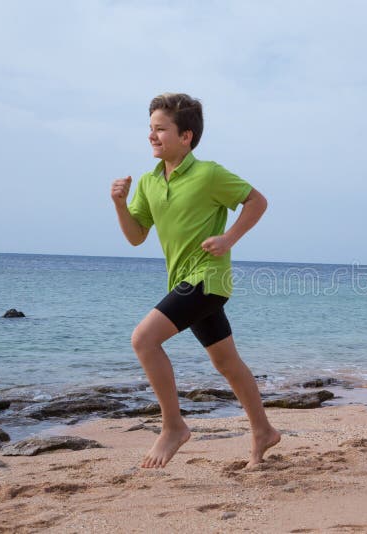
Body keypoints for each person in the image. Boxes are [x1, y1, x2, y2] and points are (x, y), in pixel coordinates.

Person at [110, 93, 280, 468]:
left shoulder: (209, 174)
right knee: (226, 361)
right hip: (182, 280)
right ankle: (263, 431)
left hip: (208, 277)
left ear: (185, 136)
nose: (152, 136)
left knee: (144, 338)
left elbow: (257, 201)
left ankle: (173, 426)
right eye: (150, 129)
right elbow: (137, 236)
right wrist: (120, 205)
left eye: (161, 129)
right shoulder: (150, 182)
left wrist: (228, 238)